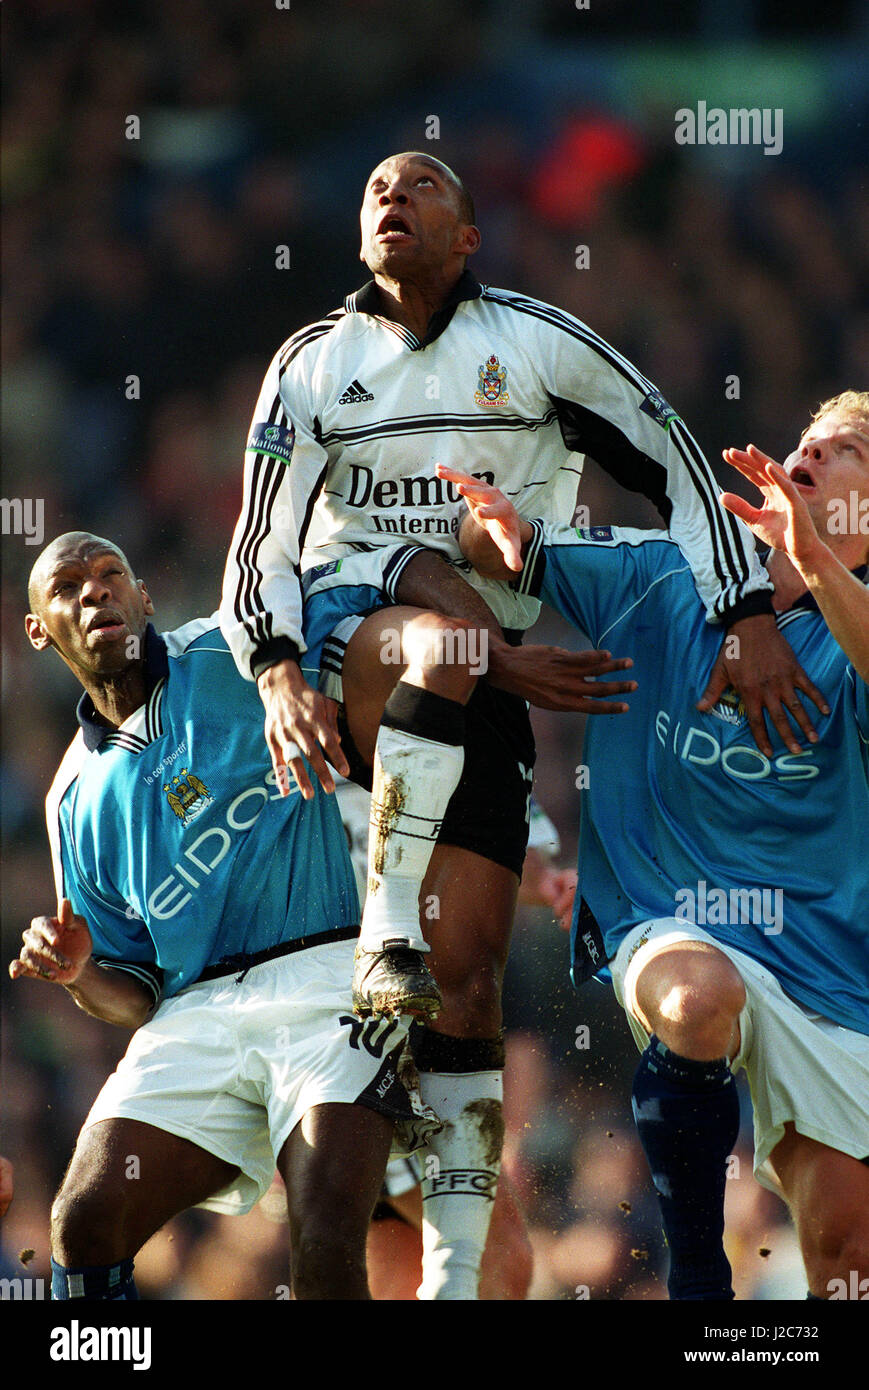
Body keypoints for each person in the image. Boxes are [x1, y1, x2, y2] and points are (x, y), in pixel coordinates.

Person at [219, 150, 824, 1298]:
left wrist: (739, 612)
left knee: (472, 988)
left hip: (483, 687)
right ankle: (382, 930)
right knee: (441, 642)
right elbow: (260, 543)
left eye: (423, 187)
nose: (393, 199)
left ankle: (458, 1275)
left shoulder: (537, 346)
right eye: (376, 191)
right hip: (357, 647)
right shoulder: (310, 363)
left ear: (471, 236)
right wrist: (273, 668)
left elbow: (676, 461)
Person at [440, 388, 869, 1300]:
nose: (813, 454)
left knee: (846, 1262)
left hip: (832, 965)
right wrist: (494, 532)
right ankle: (698, 1287)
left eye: (847, 452)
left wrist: (814, 563)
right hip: (671, 913)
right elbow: (505, 555)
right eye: (809, 441)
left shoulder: (854, 631)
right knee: (694, 997)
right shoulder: (664, 576)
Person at [10, 531, 433, 1301]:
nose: (95, 592)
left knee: (325, 1234)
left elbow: (357, 584)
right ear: (38, 628)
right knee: (82, 1220)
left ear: (143, 597)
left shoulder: (239, 650)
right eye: (68, 586)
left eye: (111, 575)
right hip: (192, 1013)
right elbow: (134, 993)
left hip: (328, 975)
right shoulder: (70, 797)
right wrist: (80, 974)